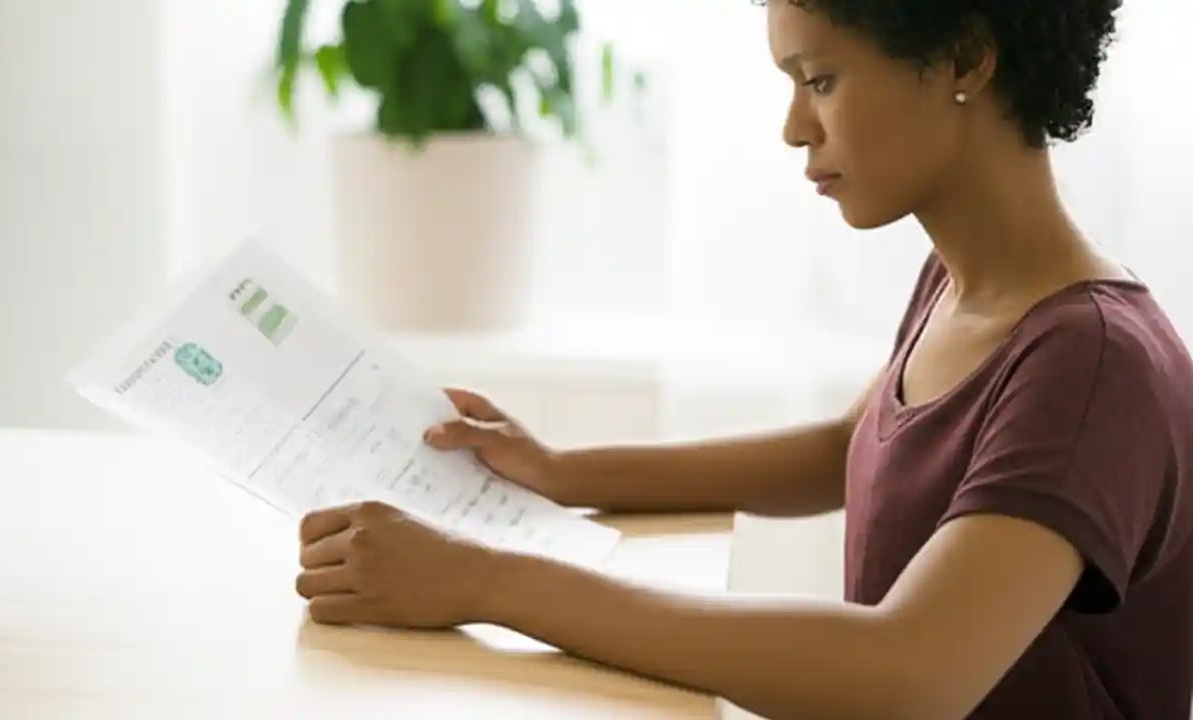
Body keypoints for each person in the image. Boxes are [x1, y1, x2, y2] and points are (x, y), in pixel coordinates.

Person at [292, 1, 1193, 717]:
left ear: (963, 58)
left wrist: (484, 581)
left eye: (822, 79)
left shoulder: (1091, 366)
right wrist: (565, 471)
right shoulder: (966, 288)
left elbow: (911, 673)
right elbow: (849, 447)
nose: (795, 127)